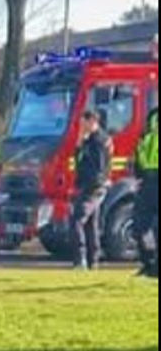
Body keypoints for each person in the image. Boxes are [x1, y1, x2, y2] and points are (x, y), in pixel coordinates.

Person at [70, 109, 111, 270]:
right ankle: (93, 261)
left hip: (93, 186)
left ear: (92, 120)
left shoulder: (99, 140)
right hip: (92, 185)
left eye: (83, 122)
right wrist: (80, 140)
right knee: (91, 224)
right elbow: (78, 157)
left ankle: (80, 260)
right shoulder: (91, 140)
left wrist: (91, 184)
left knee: (77, 221)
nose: (81, 126)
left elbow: (99, 167)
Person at [133, 107, 158, 278]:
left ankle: (153, 266)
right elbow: (139, 156)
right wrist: (139, 176)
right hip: (147, 182)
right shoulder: (146, 131)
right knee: (139, 226)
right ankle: (148, 263)